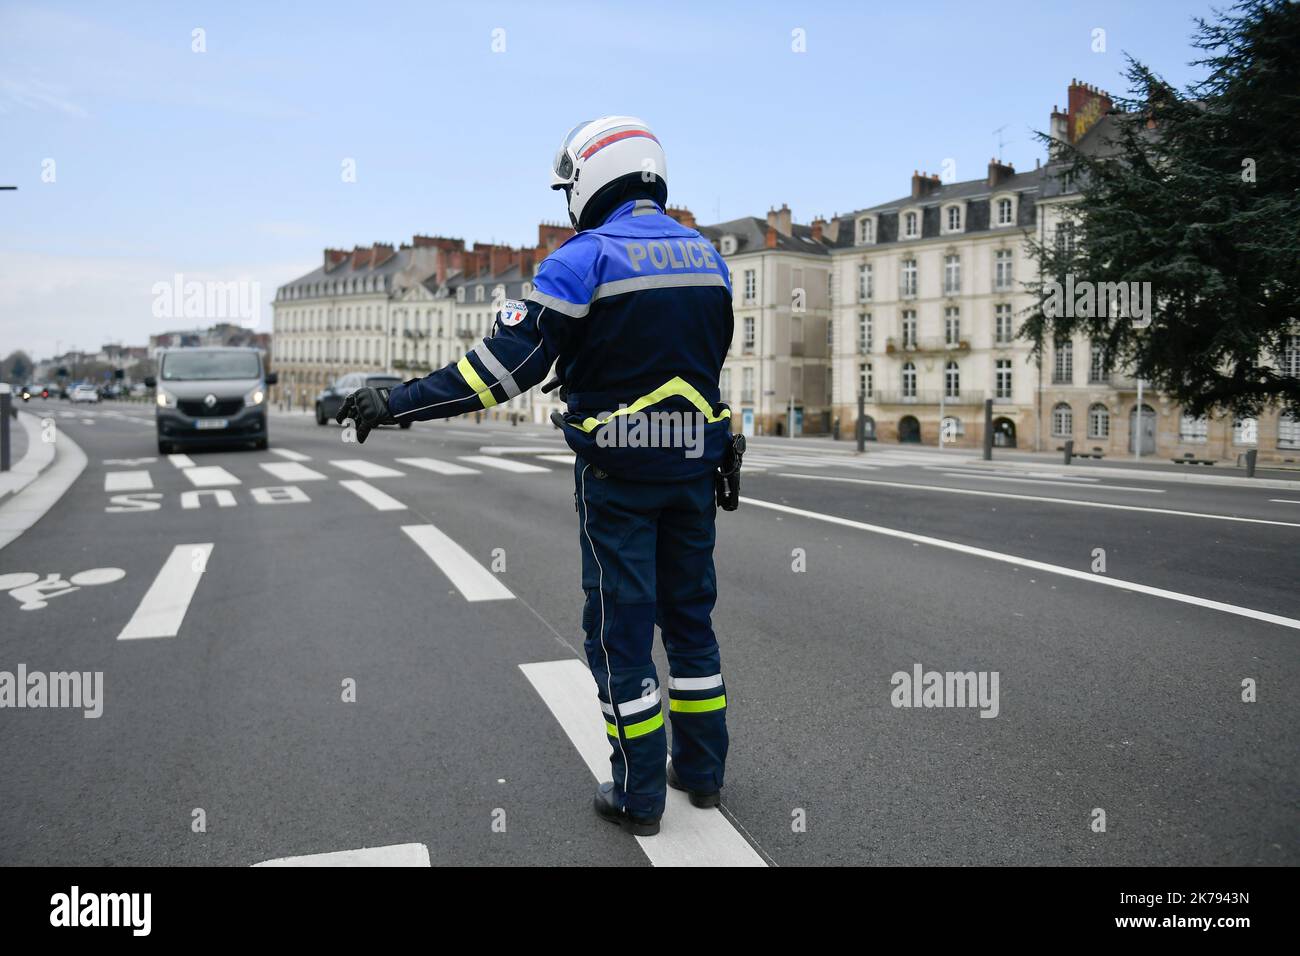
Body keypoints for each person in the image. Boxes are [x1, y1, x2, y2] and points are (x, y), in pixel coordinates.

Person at [338, 116, 734, 837]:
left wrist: (395, 401)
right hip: (694, 468)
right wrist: (590, 367)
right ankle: (702, 775)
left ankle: (639, 794)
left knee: (620, 633)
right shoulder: (709, 258)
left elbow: (498, 371)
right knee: (691, 624)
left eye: (567, 188)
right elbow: (690, 360)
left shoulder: (583, 259)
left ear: (589, 176)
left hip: (619, 475)